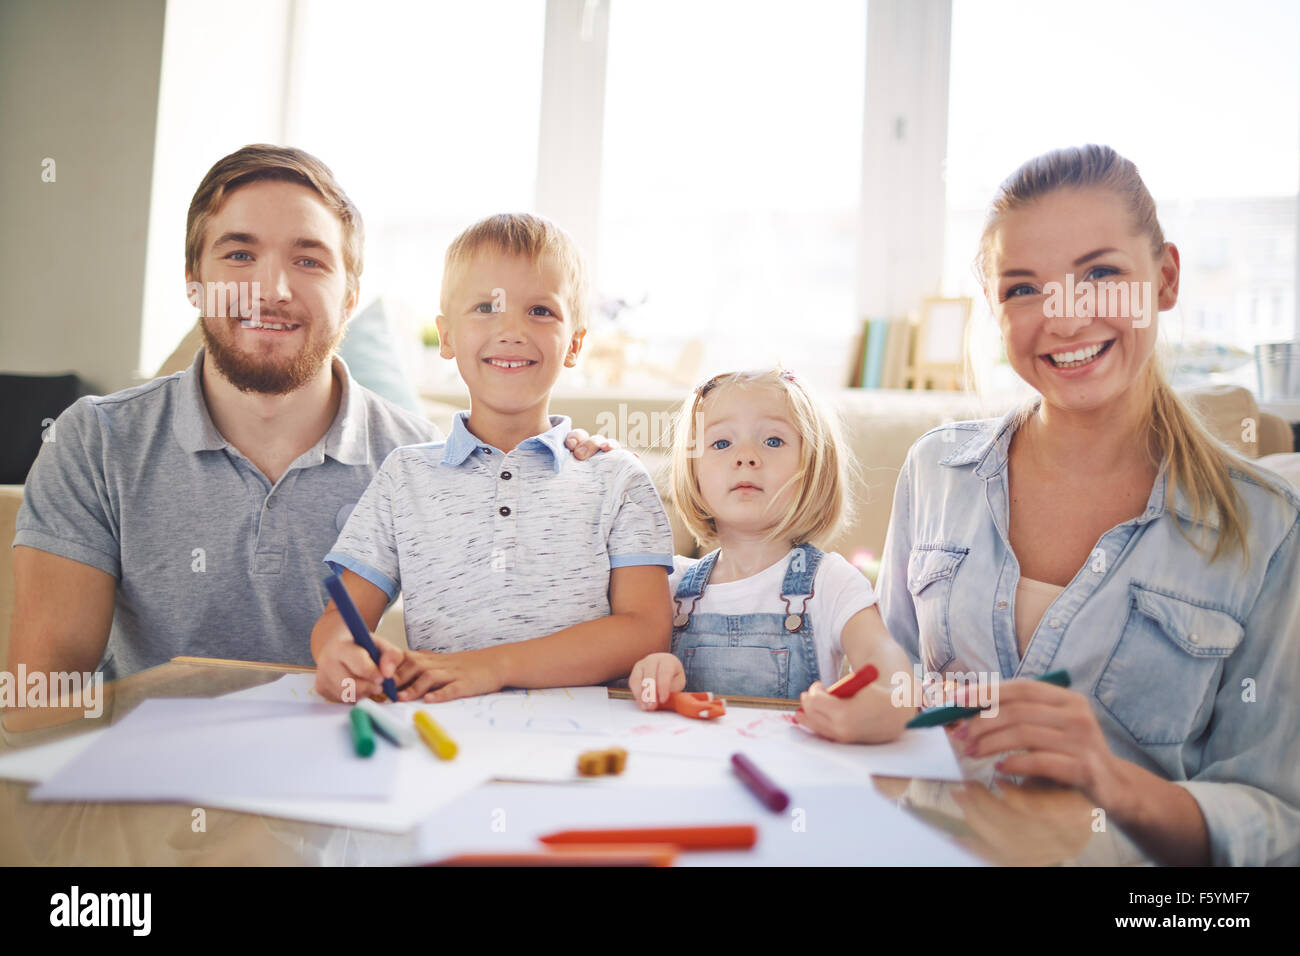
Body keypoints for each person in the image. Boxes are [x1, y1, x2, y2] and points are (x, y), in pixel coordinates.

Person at [7, 146, 610, 688]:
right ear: (195, 282)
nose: (272, 289)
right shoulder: (95, 441)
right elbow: (41, 693)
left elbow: (537, 601)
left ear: (350, 296)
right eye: (240, 253)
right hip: (145, 794)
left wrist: (568, 461)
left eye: (310, 261)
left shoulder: (428, 461)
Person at [873, 144, 1300, 865]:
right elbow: (888, 688)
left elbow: (1278, 819)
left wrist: (1112, 782)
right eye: (1022, 288)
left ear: (1163, 279)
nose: (1063, 321)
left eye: (1099, 274)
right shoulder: (934, 473)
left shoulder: (1267, 528)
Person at [311, 213, 673, 703]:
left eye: (541, 311)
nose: (512, 330)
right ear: (445, 336)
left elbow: (646, 631)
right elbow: (341, 620)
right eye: (486, 307)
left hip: (581, 740)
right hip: (441, 731)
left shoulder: (616, 478)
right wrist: (340, 656)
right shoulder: (404, 477)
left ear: (575, 344)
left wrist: (492, 668)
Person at [628, 368, 914, 743]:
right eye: (721, 443)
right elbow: (631, 688)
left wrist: (884, 707)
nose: (746, 457)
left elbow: (894, 674)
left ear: (812, 466)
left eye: (774, 441)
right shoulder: (670, 586)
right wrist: (650, 676)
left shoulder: (829, 583)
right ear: (693, 471)